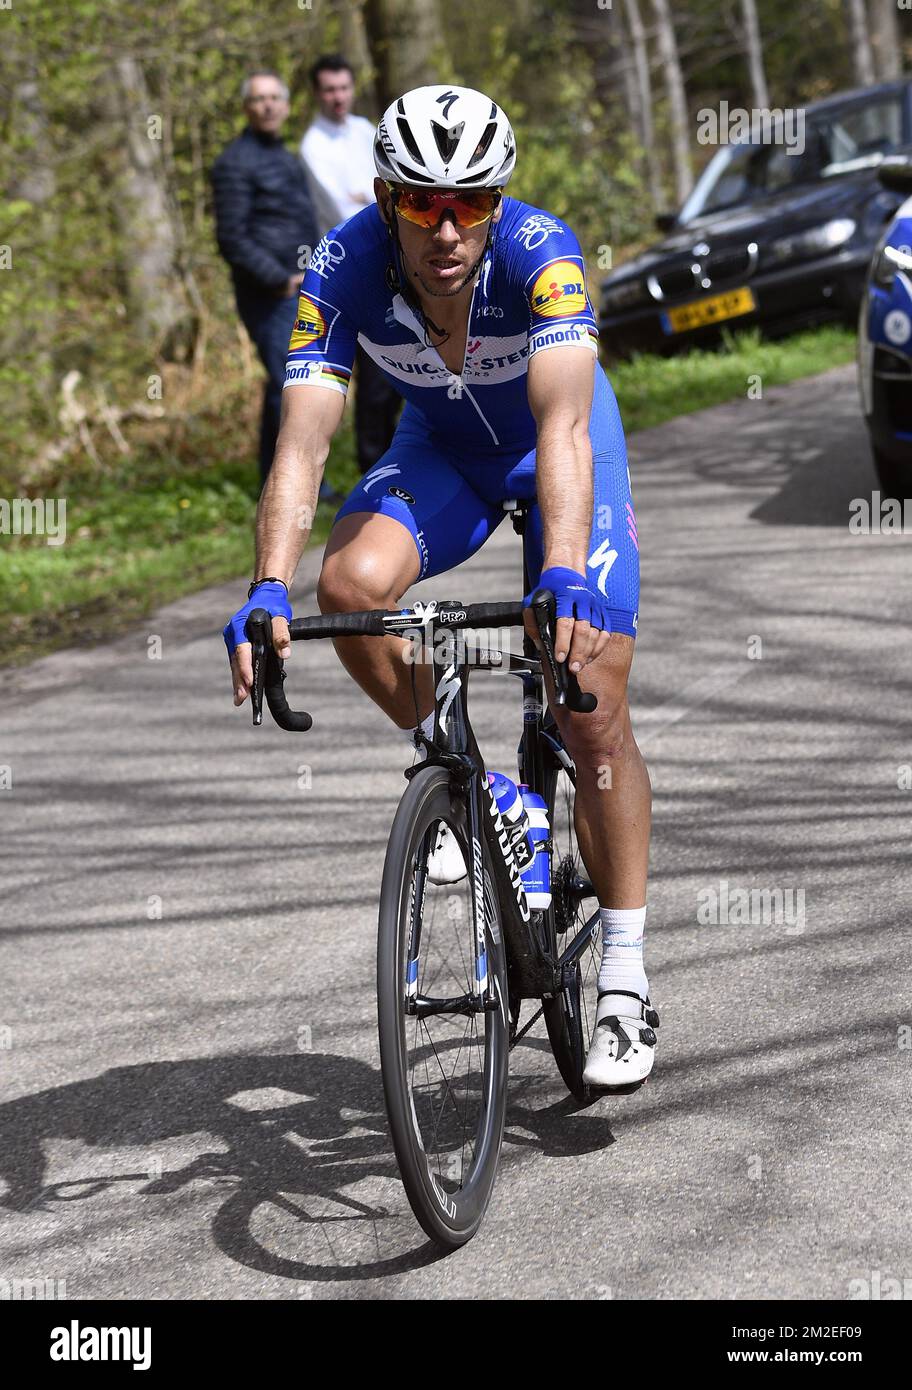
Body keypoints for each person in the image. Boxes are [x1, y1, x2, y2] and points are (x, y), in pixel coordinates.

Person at [224, 86, 657, 1091]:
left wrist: (559, 574)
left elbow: (561, 427)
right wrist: (266, 588)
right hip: (443, 454)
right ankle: (486, 787)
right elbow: (301, 443)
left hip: (562, 452)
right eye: (422, 204)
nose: (448, 227)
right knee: (352, 581)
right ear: (385, 198)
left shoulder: (543, 256)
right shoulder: (339, 271)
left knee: (591, 707)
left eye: (472, 202)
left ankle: (627, 981)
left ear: (500, 203)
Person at [211, 71, 338, 500]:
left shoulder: (286, 156)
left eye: (274, 98)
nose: (267, 105)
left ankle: (279, 482)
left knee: (287, 383)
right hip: (269, 295)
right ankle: (295, 489)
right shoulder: (233, 163)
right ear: (246, 107)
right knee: (295, 382)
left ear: (284, 105)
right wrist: (279, 280)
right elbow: (232, 238)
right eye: (258, 98)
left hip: (304, 287)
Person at [300, 54, 401, 474]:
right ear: (317, 93)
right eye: (329, 90)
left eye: (343, 88)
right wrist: (367, 196)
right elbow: (342, 207)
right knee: (375, 375)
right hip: (356, 264)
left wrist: (368, 194)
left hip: (398, 254)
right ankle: (372, 469)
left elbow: (388, 188)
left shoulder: (366, 131)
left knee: (405, 366)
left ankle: (407, 460)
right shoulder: (312, 147)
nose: (338, 97)